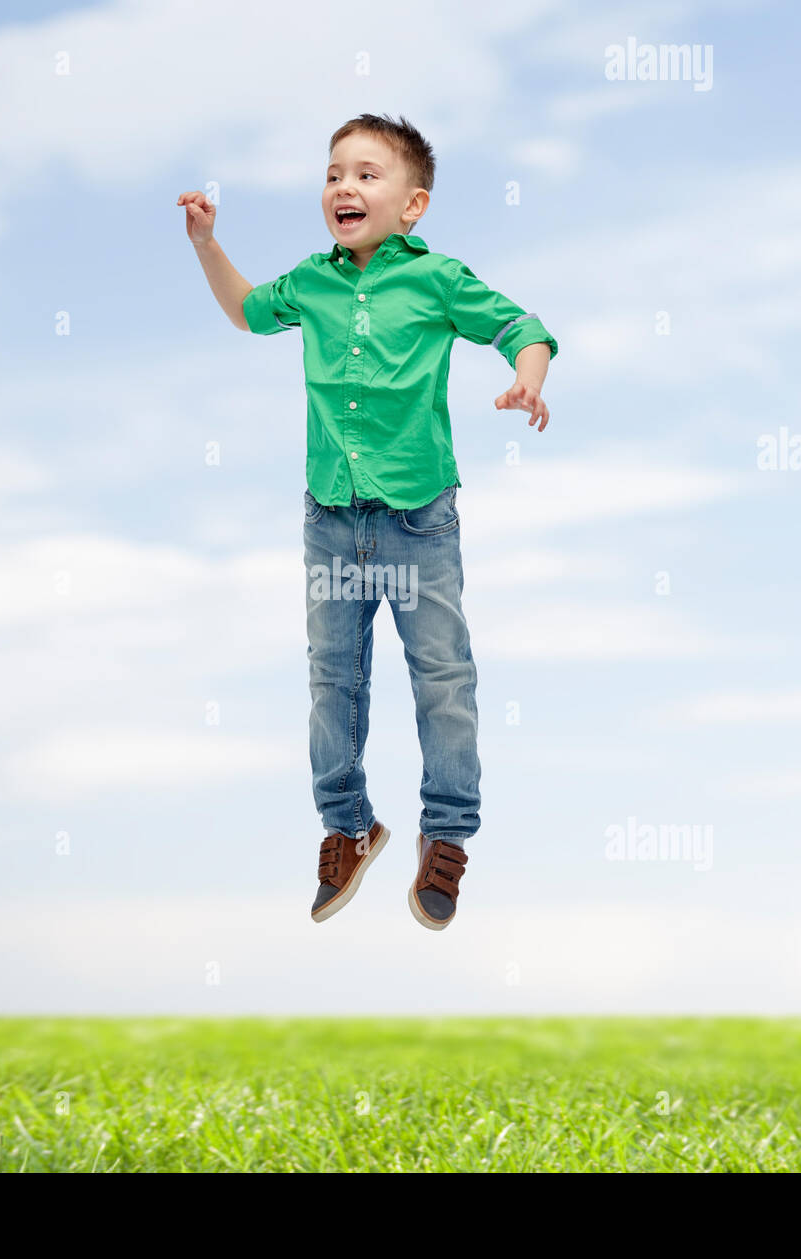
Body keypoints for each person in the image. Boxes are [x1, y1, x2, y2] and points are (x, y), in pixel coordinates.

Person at [177, 113, 557, 930]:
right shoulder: (310, 284)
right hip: (330, 521)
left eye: (366, 174)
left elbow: (522, 328)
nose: (344, 187)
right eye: (333, 174)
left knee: (444, 681)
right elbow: (246, 313)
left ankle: (446, 835)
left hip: (419, 522)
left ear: (412, 204)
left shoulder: (437, 279)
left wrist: (528, 379)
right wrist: (208, 243)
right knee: (333, 682)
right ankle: (349, 828)